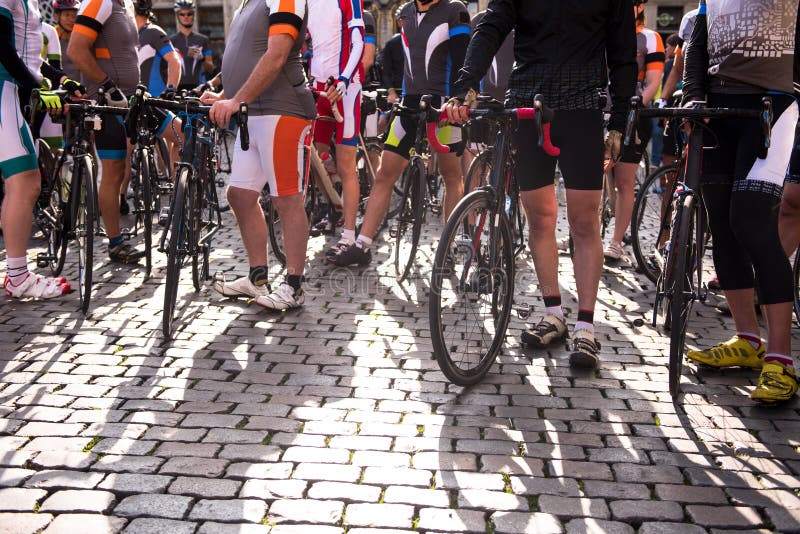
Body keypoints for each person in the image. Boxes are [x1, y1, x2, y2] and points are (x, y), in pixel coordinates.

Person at [445, 0, 637, 369]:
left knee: (584, 220)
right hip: (528, 105)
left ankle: (585, 325)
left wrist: (620, 121)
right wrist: (467, 83)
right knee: (539, 217)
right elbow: (492, 27)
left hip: (582, 107)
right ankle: (553, 314)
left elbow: (623, 54)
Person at [683, 0, 799, 403]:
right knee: (723, 224)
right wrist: (694, 96)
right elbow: (697, 45)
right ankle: (748, 340)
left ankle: (781, 359)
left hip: (773, 103)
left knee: (752, 220)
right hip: (718, 107)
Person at [330, 0, 471, 268]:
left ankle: (449, 245)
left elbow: (463, 61)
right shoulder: (405, 12)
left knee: (451, 174)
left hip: (444, 106)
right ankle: (362, 245)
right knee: (385, 173)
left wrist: (460, 100)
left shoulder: (455, 10)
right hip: (408, 105)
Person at [205, 0, 315, 311]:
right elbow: (249, 56)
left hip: (283, 110)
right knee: (239, 195)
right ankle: (257, 279)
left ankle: (293, 287)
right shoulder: (247, 4)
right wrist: (226, 96)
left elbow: (277, 53)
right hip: (251, 112)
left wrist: (236, 98)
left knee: (287, 198)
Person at [1, 0, 82, 298]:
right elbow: (3, 47)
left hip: (12, 90)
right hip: (3, 88)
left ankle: (16, 274)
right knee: (24, 181)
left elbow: (29, 55)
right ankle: (18, 277)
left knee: (21, 182)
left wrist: (60, 78)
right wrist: (38, 84)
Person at [68, 0, 146, 264]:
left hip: (131, 101)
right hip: (107, 102)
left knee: (176, 135)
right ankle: (115, 242)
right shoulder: (100, 1)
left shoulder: (127, 5)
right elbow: (76, 49)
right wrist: (107, 86)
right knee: (112, 171)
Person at [604, 0, 664, 262]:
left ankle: (616, 242)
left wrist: (636, 106)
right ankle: (587, 232)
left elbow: (653, 82)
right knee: (596, 178)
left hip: (631, 115)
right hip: (598, 110)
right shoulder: (602, 29)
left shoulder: (649, 38)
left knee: (624, 182)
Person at [306, 0, 366, 258]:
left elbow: (359, 42)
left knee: (346, 165)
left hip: (345, 88)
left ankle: (349, 235)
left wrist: (343, 79)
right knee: (315, 157)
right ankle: (333, 205)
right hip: (318, 86)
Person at [169, 0, 213, 92]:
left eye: (189, 14)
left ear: (193, 15)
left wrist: (201, 58)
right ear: (177, 16)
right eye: (182, 14)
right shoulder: (171, 41)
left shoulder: (203, 40)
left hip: (198, 87)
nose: (186, 17)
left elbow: (211, 68)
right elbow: (165, 67)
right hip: (177, 87)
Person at [380, 5, 404, 104]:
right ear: (399, 22)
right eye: (403, 19)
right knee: (383, 119)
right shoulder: (392, 44)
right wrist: (391, 92)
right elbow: (386, 72)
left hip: (420, 91)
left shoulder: (421, 42)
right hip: (398, 92)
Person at [53, 0, 80, 81]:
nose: (71, 20)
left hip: (81, 90)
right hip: (57, 89)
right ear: (56, 16)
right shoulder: (50, 39)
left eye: (74, 16)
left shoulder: (82, 40)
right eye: (67, 15)